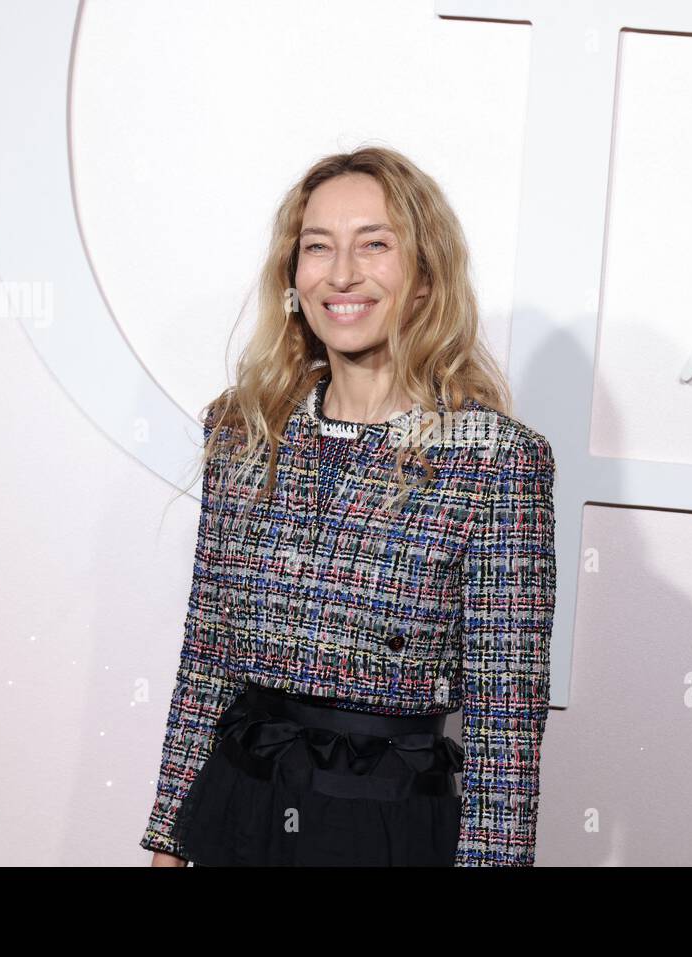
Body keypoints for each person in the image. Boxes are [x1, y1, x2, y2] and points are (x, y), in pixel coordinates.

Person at [139, 145, 557, 866]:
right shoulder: (243, 430)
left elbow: (504, 724)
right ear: (293, 275)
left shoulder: (494, 459)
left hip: (384, 831)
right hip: (238, 809)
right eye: (318, 247)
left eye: (375, 245)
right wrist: (168, 838)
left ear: (425, 276)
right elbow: (208, 653)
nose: (342, 273)